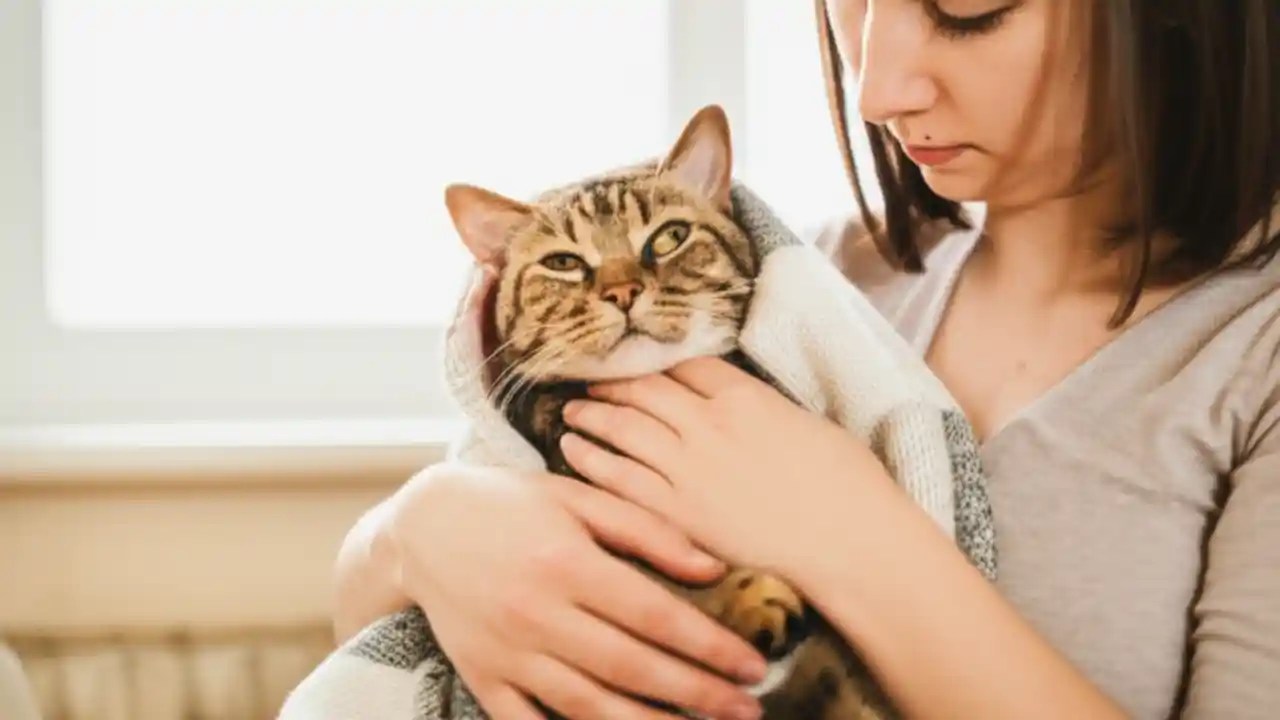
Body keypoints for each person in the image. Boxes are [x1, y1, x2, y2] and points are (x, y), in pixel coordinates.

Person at [331, 0, 1280, 718]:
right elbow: (368, 636)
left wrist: (852, 539)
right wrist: (419, 532)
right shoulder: (795, 283)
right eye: (848, 2)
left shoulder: (1254, 350)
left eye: (965, 10)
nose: (875, 90)